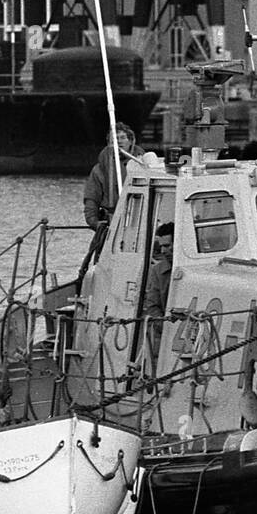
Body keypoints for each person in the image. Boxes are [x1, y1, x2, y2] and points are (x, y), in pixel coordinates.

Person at [82, 124, 138, 230]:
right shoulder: (100, 170)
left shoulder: (143, 166)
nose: (119, 142)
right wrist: (95, 222)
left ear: (130, 141)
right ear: (109, 143)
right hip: (111, 222)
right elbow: (92, 198)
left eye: (122, 138)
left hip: (137, 220)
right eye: (115, 139)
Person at [141, 222, 175, 360]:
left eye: (167, 246)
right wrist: (165, 326)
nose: (162, 251)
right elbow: (152, 305)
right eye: (161, 246)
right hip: (164, 336)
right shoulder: (157, 272)